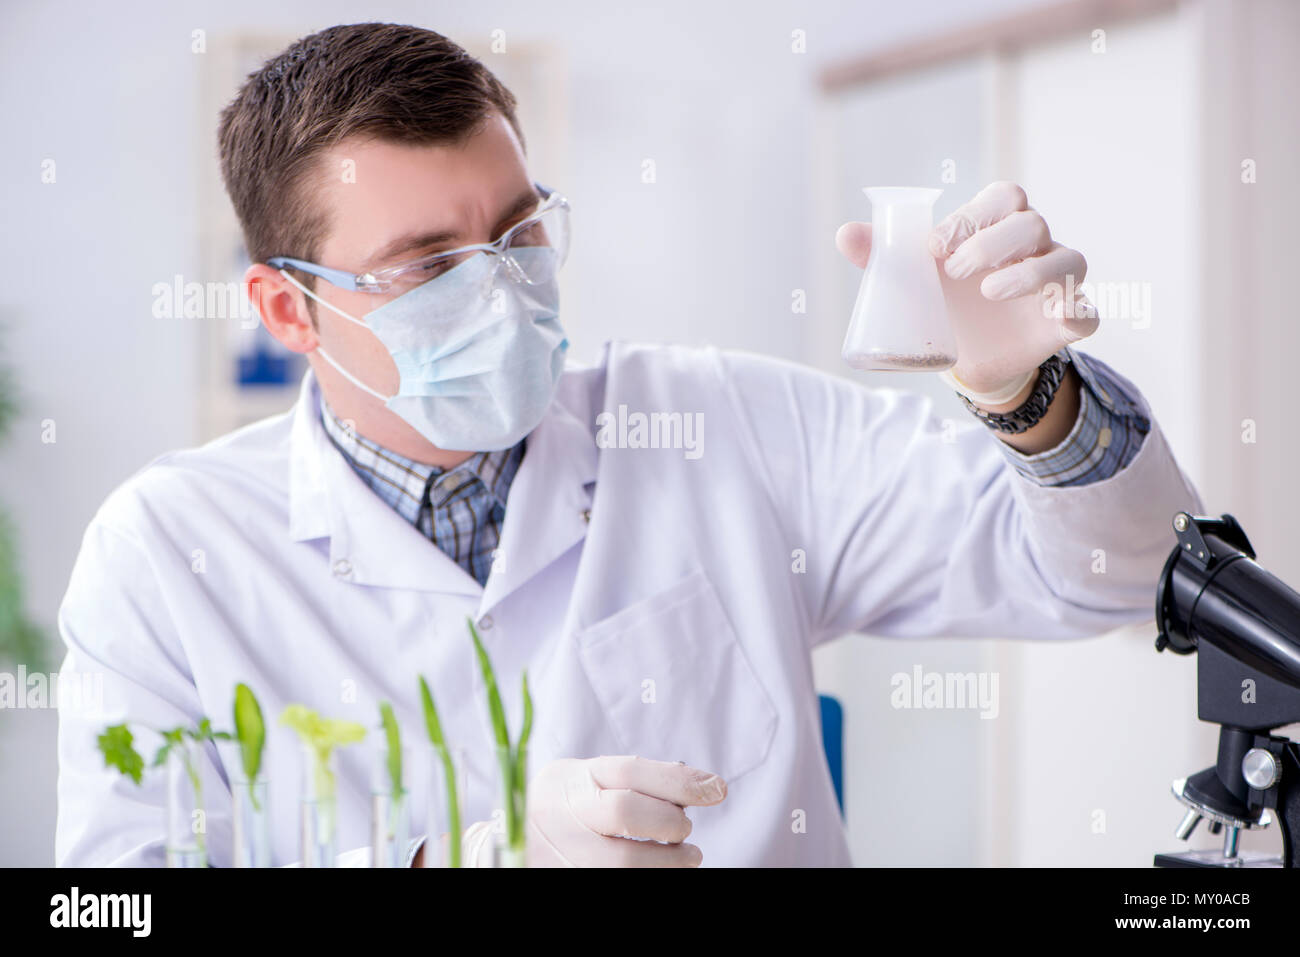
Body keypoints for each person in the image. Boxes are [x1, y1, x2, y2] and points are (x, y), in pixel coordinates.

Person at [55, 22, 1203, 867]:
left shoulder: (718, 423)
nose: (503, 292)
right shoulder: (165, 552)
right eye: (428, 266)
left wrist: (1023, 395)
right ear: (287, 311)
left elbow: (1122, 578)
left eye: (519, 232)